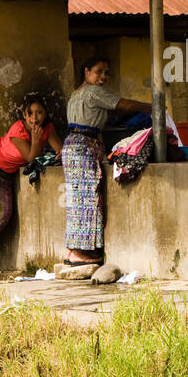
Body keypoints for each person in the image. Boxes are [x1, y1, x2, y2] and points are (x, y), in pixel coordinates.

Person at [62, 56, 152, 265]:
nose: (103, 77)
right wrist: (154, 106)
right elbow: (123, 105)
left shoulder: (76, 95)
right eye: (98, 71)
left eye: (106, 73)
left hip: (72, 145)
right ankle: (79, 253)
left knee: (76, 199)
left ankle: (71, 250)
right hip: (83, 146)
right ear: (86, 72)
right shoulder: (94, 92)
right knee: (87, 198)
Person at [0, 95, 62, 272]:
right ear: (24, 114)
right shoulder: (18, 130)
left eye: (39, 112)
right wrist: (36, 140)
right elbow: (31, 158)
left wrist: (59, 153)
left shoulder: (47, 128)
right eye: (30, 113)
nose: (35, 118)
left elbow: (59, 149)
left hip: (5, 172)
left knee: (3, 212)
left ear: (46, 114)